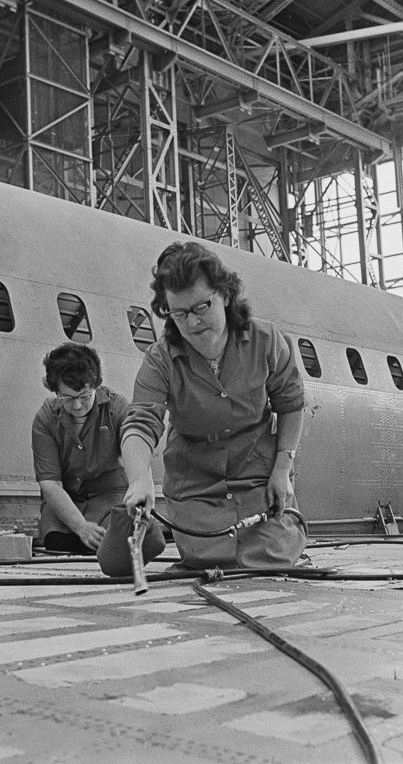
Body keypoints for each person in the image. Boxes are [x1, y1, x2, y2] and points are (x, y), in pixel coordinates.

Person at [121, 241, 308, 569]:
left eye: (201, 307)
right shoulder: (160, 359)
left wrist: (282, 468)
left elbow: (291, 403)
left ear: (225, 294)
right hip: (197, 487)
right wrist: (139, 478)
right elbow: (140, 423)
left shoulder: (267, 340)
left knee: (272, 556)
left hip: (259, 481)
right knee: (208, 557)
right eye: (179, 314)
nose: (192, 324)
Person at [31, 342, 164, 575]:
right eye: (66, 397)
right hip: (66, 501)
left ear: (96, 385)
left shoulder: (118, 407)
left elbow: (137, 446)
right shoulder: (45, 419)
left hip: (108, 495)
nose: (77, 404)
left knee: (111, 541)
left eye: (84, 395)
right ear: (54, 391)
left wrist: (140, 482)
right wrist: (80, 527)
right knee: (57, 543)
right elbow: (50, 484)